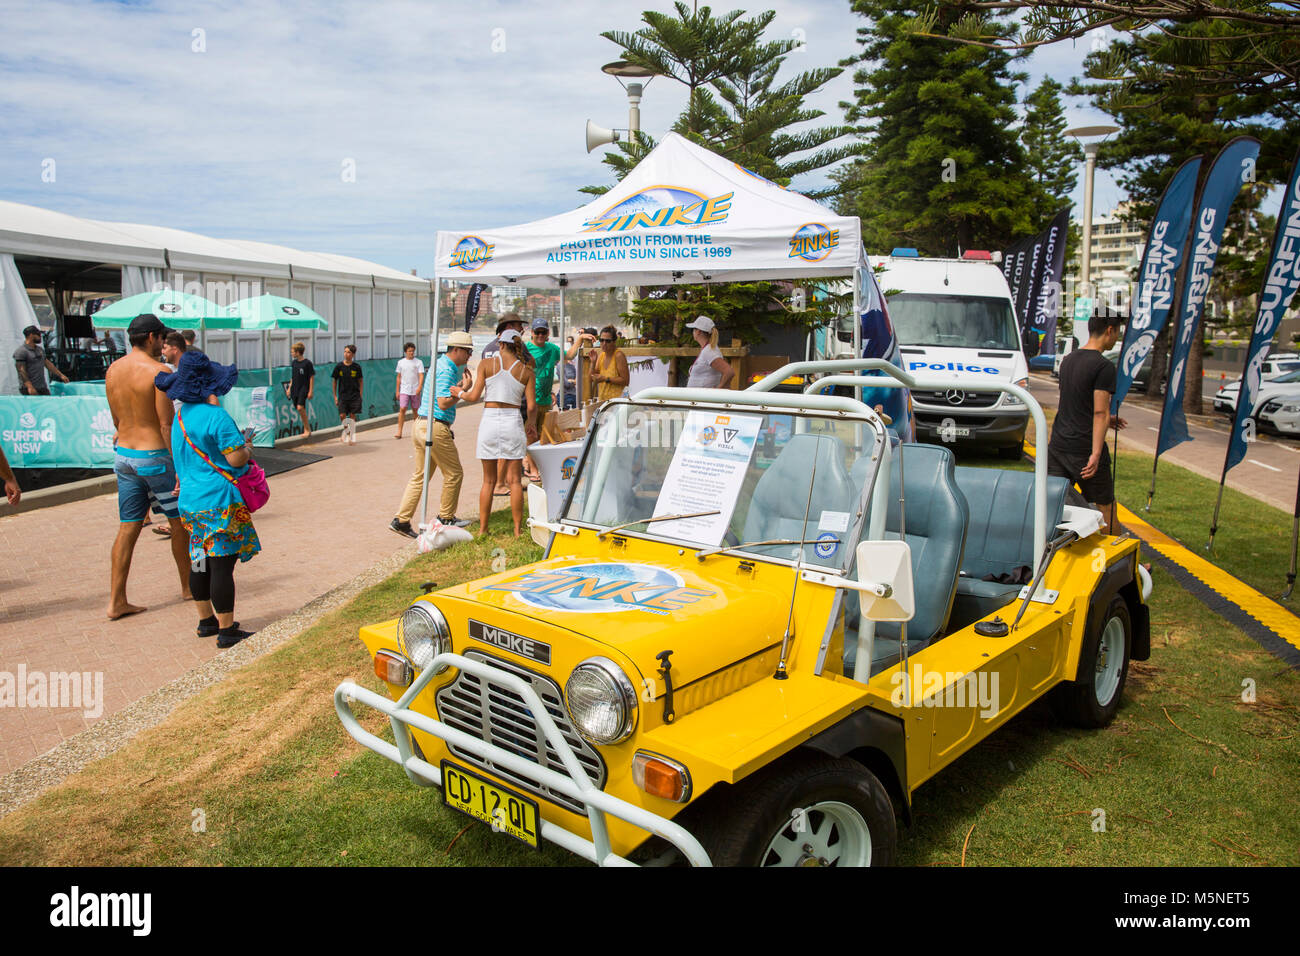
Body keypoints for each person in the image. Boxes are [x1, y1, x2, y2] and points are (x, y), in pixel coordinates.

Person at [156, 350, 259, 649]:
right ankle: (227, 629)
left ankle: (206, 621)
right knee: (222, 566)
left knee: (199, 560)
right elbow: (236, 458)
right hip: (219, 500)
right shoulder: (217, 417)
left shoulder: (180, 418)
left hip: (189, 501)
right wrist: (248, 447)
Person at [103, 314, 191, 619]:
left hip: (124, 455)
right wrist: (178, 466)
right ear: (152, 337)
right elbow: (165, 424)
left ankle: (117, 601)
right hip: (154, 456)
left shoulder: (113, 370)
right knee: (180, 523)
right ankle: (188, 587)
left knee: (128, 527)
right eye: (162, 339)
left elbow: (116, 419)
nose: (164, 344)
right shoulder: (159, 371)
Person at [1047, 313, 1127, 532]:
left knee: (1053, 506)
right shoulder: (1103, 366)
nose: (1116, 338)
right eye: (1117, 332)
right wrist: (1096, 454)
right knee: (1106, 507)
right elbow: (1100, 412)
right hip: (1083, 448)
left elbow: (1074, 403)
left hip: (1058, 446)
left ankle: (1049, 556)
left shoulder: (1068, 360)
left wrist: (1107, 420)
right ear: (1109, 330)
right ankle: (1118, 564)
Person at [391, 332, 475, 537]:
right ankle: (446, 517)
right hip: (435, 426)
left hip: (421, 424)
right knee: (454, 473)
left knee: (420, 476)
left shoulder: (440, 364)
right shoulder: (448, 369)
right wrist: (463, 390)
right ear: (456, 350)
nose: (469, 356)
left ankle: (401, 519)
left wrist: (458, 388)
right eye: (468, 351)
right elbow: (443, 402)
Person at [461, 329, 537, 536]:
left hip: (490, 420)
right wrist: (531, 423)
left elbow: (474, 395)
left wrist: (459, 392)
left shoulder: (486, 365)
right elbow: (531, 406)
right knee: (514, 481)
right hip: (512, 419)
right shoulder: (526, 371)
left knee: (488, 481)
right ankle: (517, 530)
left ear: (500, 345)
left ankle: (484, 529)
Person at [523, 317, 562, 479]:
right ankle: (533, 469)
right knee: (531, 437)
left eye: (543, 332)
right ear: (532, 333)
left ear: (547, 333)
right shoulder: (525, 349)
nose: (540, 335)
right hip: (530, 401)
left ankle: (538, 467)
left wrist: (580, 339)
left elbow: (570, 356)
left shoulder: (553, 349)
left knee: (544, 438)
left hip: (546, 401)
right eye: (537, 332)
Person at [14, 325, 68, 395]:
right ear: (31, 335)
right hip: (29, 388)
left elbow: (47, 364)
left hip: (41, 387)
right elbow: (21, 371)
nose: (40, 337)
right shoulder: (21, 351)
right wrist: (30, 387)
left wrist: (60, 375)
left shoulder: (39, 350)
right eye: (38, 335)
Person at [684, 315, 735, 389]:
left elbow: (729, 372)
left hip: (702, 398)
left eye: (693, 329)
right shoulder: (708, 350)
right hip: (699, 398)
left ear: (698, 332)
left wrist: (718, 390)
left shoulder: (709, 351)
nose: (692, 332)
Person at [332, 344, 363, 443]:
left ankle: (351, 437)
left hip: (354, 396)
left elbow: (361, 381)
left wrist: (360, 395)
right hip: (343, 396)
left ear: (353, 354)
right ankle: (347, 431)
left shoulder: (357, 367)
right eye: (345, 351)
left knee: (352, 417)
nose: (346, 354)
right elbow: (335, 381)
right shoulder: (339, 367)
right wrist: (335, 396)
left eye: (348, 352)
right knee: (342, 415)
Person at [590, 325, 630, 403]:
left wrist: (605, 379)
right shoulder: (601, 355)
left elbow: (626, 381)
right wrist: (593, 362)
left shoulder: (618, 355)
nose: (604, 343)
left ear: (614, 341)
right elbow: (591, 378)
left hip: (618, 403)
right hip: (604, 403)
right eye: (601, 340)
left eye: (608, 341)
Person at [394, 341, 425, 440]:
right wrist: (397, 390)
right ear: (405, 352)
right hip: (404, 389)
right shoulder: (401, 362)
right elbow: (398, 377)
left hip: (415, 389)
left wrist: (419, 387)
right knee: (402, 409)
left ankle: (416, 431)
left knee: (416, 410)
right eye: (409, 351)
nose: (411, 353)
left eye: (412, 351)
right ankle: (399, 431)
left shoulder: (418, 362)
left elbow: (421, 375)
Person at [289, 341, 315, 438]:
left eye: (292, 351)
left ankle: (307, 429)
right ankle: (306, 427)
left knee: (300, 407)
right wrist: (289, 388)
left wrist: (310, 390)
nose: (291, 353)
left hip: (303, 388)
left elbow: (311, 377)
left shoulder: (307, 363)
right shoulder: (294, 363)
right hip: (294, 388)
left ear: (298, 352)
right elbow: (293, 376)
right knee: (299, 408)